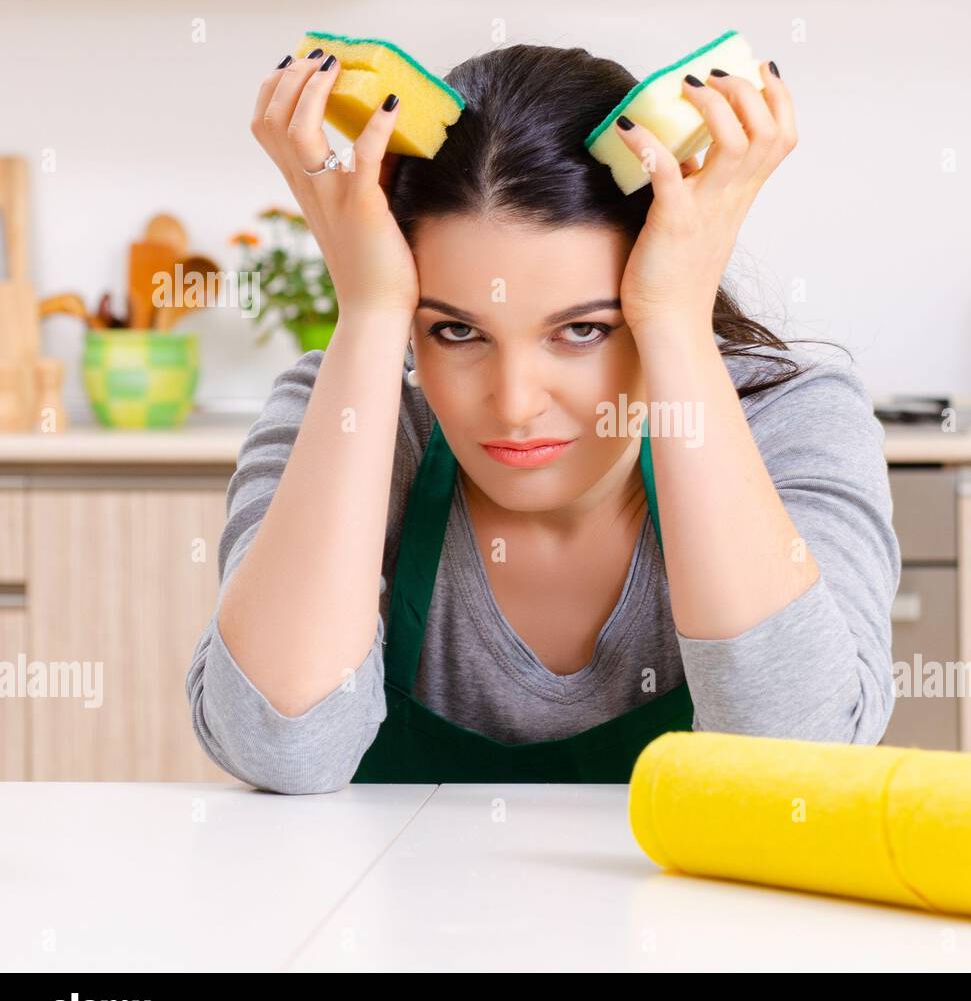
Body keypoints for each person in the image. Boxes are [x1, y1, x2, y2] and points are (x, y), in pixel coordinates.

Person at [185, 39, 901, 793]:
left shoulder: (789, 417)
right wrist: (367, 312)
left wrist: (678, 318)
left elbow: (793, 767)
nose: (517, 403)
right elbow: (280, 753)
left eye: (583, 330)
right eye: (456, 331)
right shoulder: (355, 414)